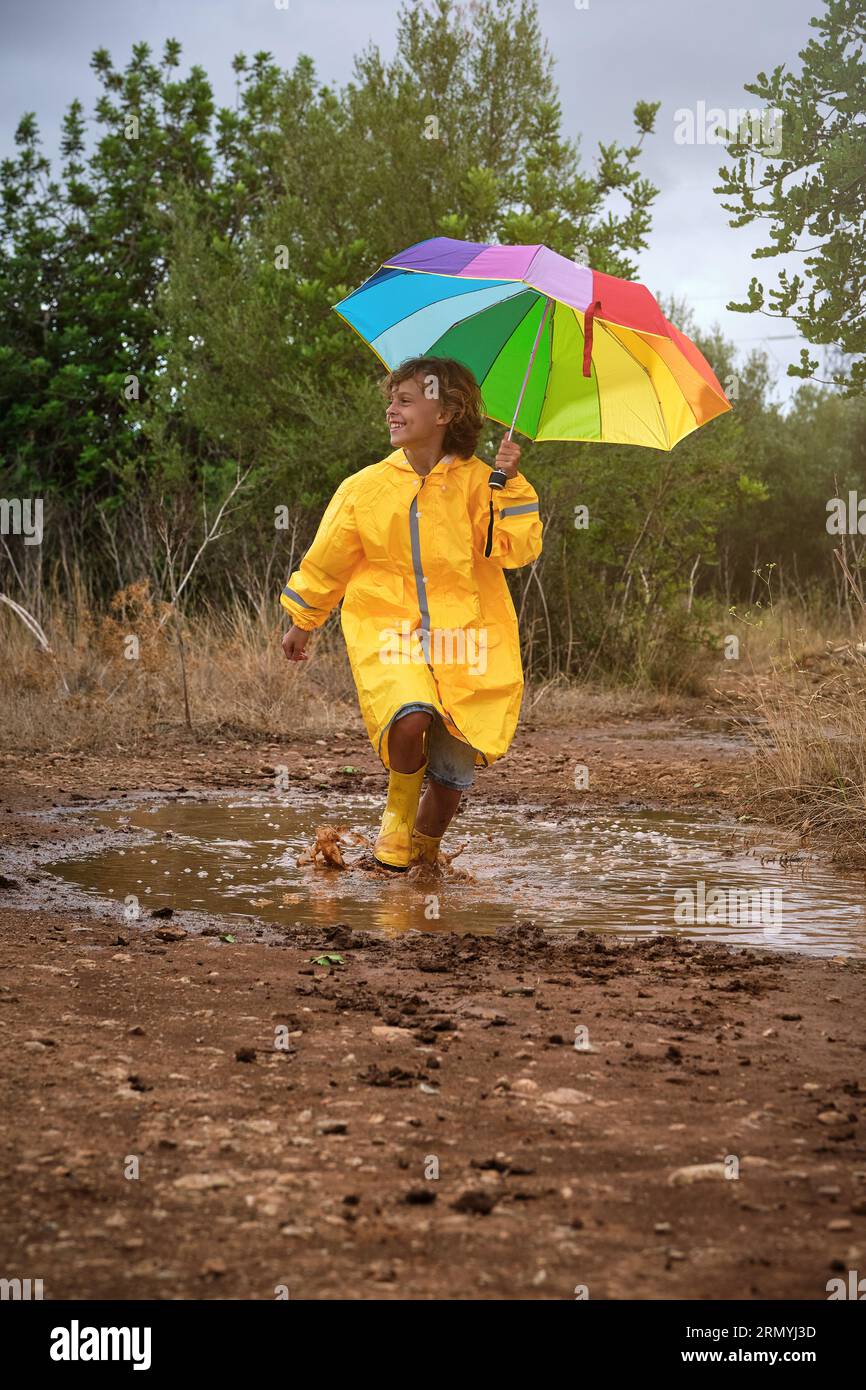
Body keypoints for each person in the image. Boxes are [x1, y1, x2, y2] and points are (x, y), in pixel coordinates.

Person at [280, 355, 543, 870]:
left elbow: (514, 550)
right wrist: (303, 620)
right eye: (391, 401)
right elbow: (329, 560)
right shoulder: (365, 488)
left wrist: (507, 482)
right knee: (409, 715)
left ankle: (418, 866)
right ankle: (396, 817)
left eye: (405, 401)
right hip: (389, 629)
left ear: (445, 412)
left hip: (468, 639)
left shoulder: (482, 482)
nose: (391, 411)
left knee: (449, 778)